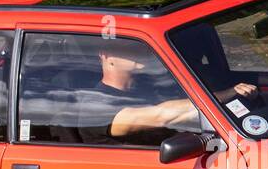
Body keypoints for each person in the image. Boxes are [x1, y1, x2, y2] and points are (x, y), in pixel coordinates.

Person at [77, 40, 256, 146]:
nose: (140, 51)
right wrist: (227, 94)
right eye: (128, 48)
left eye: (139, 46)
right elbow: (161, 115)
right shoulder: (94, 107)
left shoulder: (152, 87)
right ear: (105, 55)